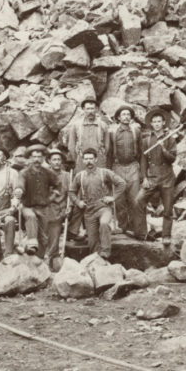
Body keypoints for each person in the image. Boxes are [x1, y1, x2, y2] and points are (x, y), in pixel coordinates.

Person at [69, 147, 126, 259]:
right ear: (83, 160)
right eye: (86, 159)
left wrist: (113, 197)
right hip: (88, 211)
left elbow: (121, 183)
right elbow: (71, 192)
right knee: (92, 244)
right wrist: (78, 202)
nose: (89, 161)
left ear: (96, 159)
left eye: (91, 159)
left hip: (103, 208)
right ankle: (96, 260)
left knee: (104, 223)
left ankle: (105, 252)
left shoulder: (104, 173)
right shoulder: (80, 176)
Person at [66, 97, 110, 237]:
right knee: (80, 194)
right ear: (83, 110)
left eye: (92, 108)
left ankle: (97, 227)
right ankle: (74, 230)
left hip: (99, 162)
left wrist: (100, 159)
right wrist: (78, 160)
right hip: (81, 163)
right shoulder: (76, 125)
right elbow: (71, 146)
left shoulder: (103, 125)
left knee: (99, 191)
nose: (90, 111)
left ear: (96, 110)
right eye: (87, 108)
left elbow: (107, 146)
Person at [136, 108, 177, 246]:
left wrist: (164, 148)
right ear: (151, 124)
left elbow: (172, 159)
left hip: (167, 177)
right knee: (138, 201)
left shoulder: (170, 139)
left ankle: (166, 235)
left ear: (164, 123)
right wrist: (144, 178)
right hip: (152, 177)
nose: (157, 124)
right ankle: (142, 232)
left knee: (168, 208)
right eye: (154, 122)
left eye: (159, 121)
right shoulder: (146, 140)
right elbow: (143, 160)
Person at [109, 105, 144, 238]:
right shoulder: (112, 132)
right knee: (119, 200)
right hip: (117, 167)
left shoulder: (136, 131)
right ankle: (122, 227)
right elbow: (108, 153)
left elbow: (141, 152)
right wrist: (108, 173)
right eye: (123, 114)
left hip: (133, 166)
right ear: (118, 117)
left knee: (135, 199)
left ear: (131, 117)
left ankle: (134, 228)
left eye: (128, 114)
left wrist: (142, 172)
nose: (126, 117)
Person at [18, 145, 59, 255]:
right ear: (30, 158)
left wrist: (52, 197)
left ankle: (38, 259)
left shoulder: (48, 173)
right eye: (34, 157)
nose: (36, 159)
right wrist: (19, 190)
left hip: (43, 208)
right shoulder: (24, 173)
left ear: (43, 158)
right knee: (31, 217)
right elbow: (20, 184)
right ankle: (31, 243)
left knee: (43, 238)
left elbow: (57, 184)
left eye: (39, 157)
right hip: (28, 206)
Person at [43, 148, 72, 268]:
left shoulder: (67, 176)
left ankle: (50, 257)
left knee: (55, 227)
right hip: (48, 207)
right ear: (49, 161)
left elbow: (71, 193)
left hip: (62, 208)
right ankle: (49, 255)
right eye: (54, 159)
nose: (57, 162)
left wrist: (70, 206)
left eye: (59, 159)